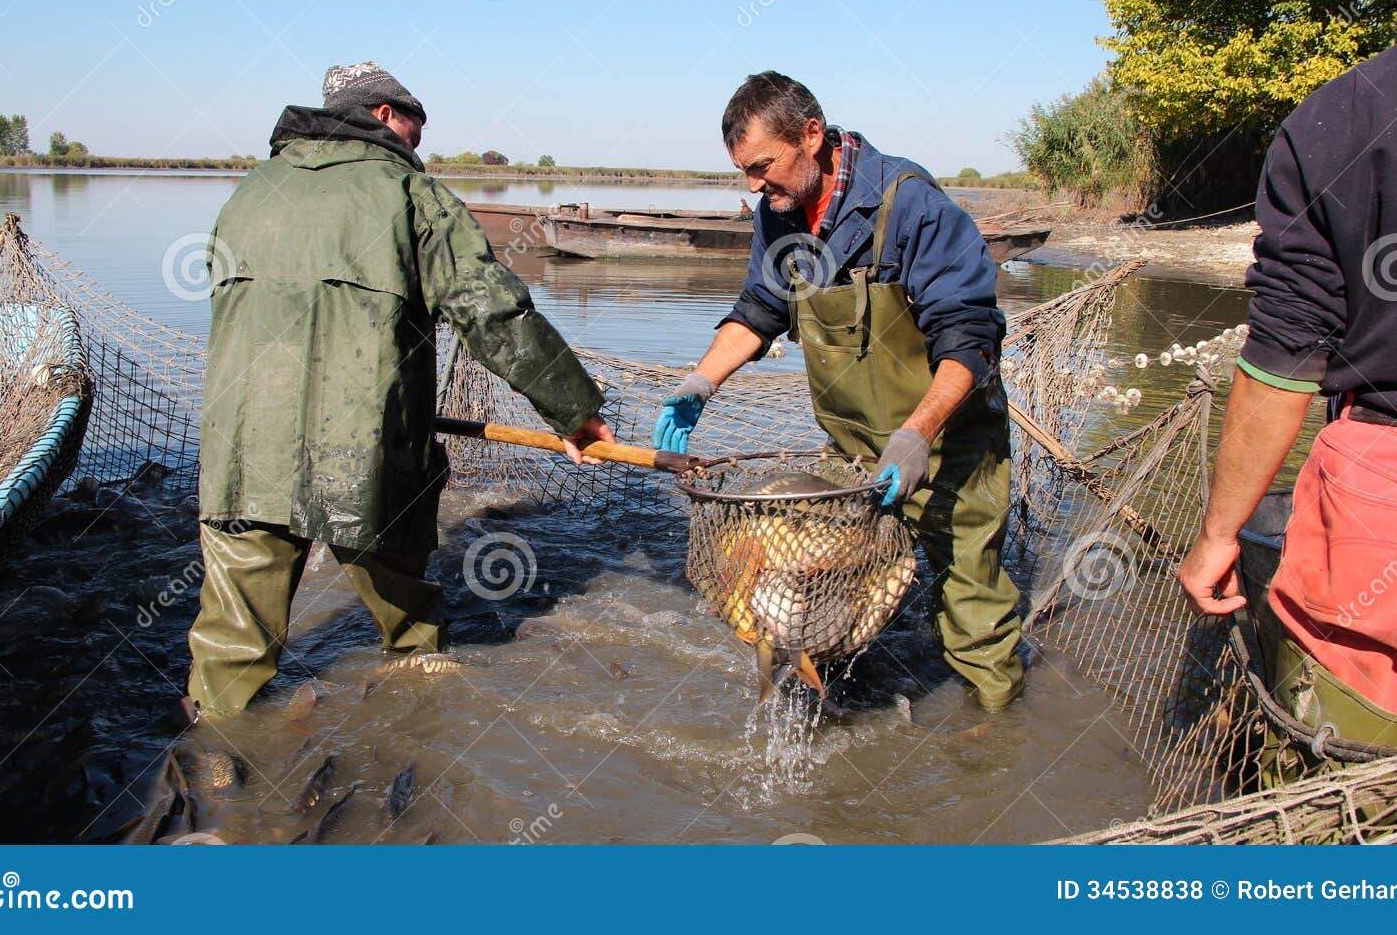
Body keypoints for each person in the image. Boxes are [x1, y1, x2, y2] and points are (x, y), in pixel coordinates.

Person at [185, 62, 614, 719]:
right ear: (384, 115)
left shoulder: (250, 193)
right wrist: (573, 409)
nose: (419, 143)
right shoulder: (412, 195)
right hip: (367, 456)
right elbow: (491, 312)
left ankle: (210, 752)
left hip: (241, 456)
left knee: (228, 652)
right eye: (417, 125)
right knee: (412, 629)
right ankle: (421, 730)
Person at [655, 72, 1023, 711]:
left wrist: (917, 436)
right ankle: (843, 706)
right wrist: (699, 382)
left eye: (762, 166)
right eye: (743, 172)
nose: (754, 186)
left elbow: (969, 339)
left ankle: (994, 726)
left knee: (971, 603)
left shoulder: (909, 204)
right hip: (852, 450)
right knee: (814, 584)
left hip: (947, 445)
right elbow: (760, 309)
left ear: (812, 135)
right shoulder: (780, 214)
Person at [1179, 0, 1397, 778]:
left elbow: (1283, 362)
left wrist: (1218, 534)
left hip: (1390, 498)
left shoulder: (1348, 115)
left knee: (1354, 794)